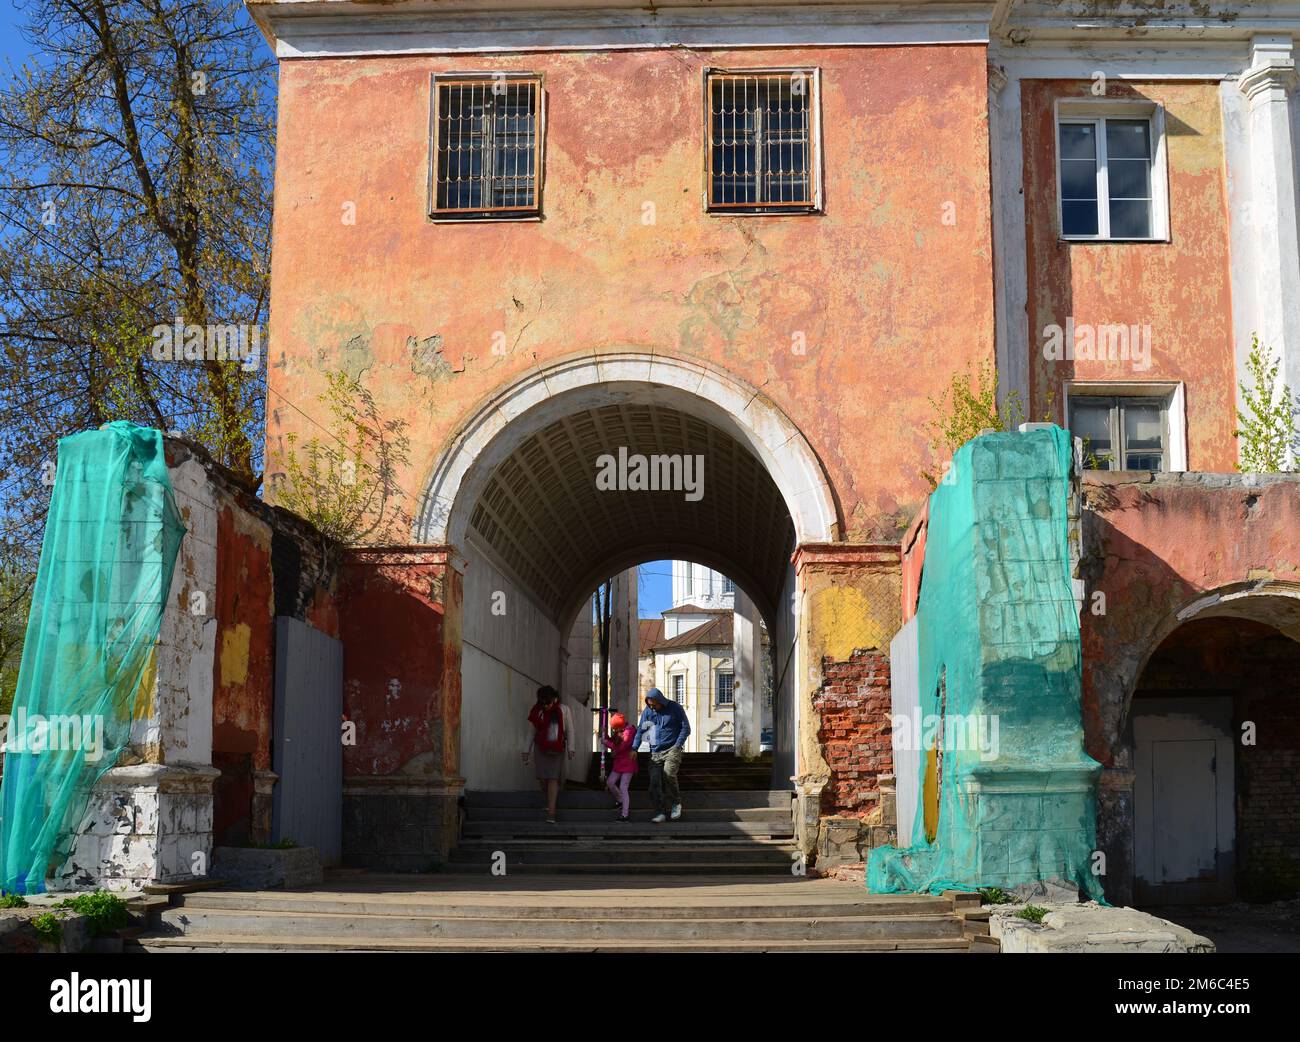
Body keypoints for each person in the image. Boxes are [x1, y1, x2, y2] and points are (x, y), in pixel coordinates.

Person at [630, 687, 690, 823]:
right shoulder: (648, 712)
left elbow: (686, 727)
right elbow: (641, 731)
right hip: (655, 752)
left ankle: (676, 803)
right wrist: (634, 748)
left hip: (672, 749)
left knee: (668, 773)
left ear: (660, 701)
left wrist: (677, 745)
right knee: (654, 783)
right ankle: (660, 812)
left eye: (654, 705)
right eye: (649, 705)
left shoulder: (675, 708)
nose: (652, 708)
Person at [522, 685, 574, 824]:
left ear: (554, 699)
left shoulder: (564, 710)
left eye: (548, 703)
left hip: (557, 748)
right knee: (542, 779)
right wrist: (525, 750)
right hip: (541, 748)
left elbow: (569, 730)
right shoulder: (537, 711)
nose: (545, 706)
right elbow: (531, 731)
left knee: (552, 778)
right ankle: (549, 800)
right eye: (543, 703)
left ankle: (551, 812)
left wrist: (571, 748)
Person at [602, 711, 637, 822]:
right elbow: (613, 741)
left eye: (614, 728)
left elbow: (620, 747)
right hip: (619, 763)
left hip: (628, 764)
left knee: (623, 787)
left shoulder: (628, 732)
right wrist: (605, 735)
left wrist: (606, 742)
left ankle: (625, 815)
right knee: (610, 782)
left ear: (619, 726)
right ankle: (620, 800)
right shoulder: (619, 731)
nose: (613, 731)